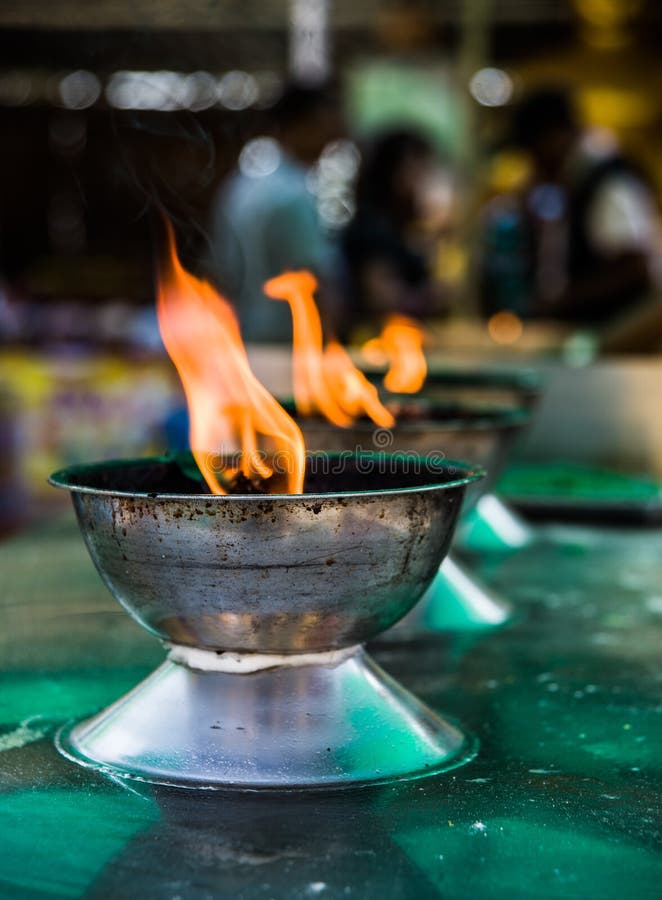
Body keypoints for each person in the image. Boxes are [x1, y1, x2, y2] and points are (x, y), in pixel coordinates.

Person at [481, 87, 662, 326]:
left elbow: (634, 267)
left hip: (625, 334)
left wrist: (559, 303)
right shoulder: (579, 182)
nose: (532, 164)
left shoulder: (608, 181)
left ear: (556, 136)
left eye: (532, 151)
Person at [206, 83, 343, 343]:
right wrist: (329, 344)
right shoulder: (292, 194)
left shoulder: (240, 185)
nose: (331, 139)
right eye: (325, 126)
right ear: (302, 126)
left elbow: (218, 272)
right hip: (288, 341)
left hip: (239, 336)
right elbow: (313, 279)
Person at [341, 128, 452, 327]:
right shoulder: (373, 227)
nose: (425, 179)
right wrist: (435, 296)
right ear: (395, 172)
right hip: (382, 347)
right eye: (420, 167)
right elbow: (382, 300)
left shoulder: (392, 224)